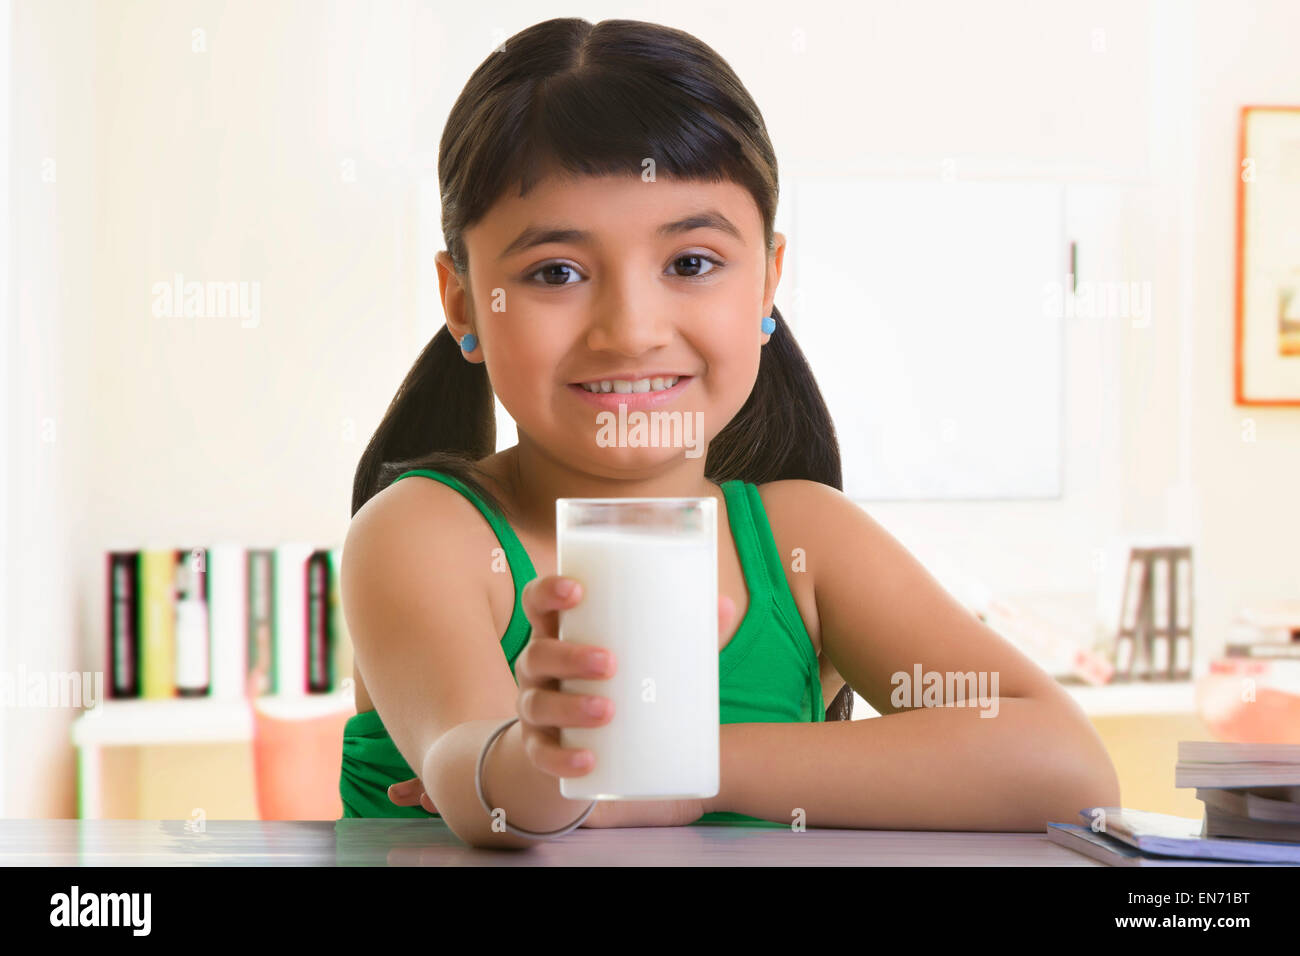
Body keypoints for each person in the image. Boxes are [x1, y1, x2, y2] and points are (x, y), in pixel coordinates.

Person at [338, 16, 1120, 849]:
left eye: (692, 263)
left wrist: (683, 770)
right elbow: (479, 783)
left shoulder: (801, 540)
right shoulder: (422, 533)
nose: (631, 329)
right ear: (463, 301)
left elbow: (1068, 773)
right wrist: (546, 764)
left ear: (766, 283)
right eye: (556, 272)